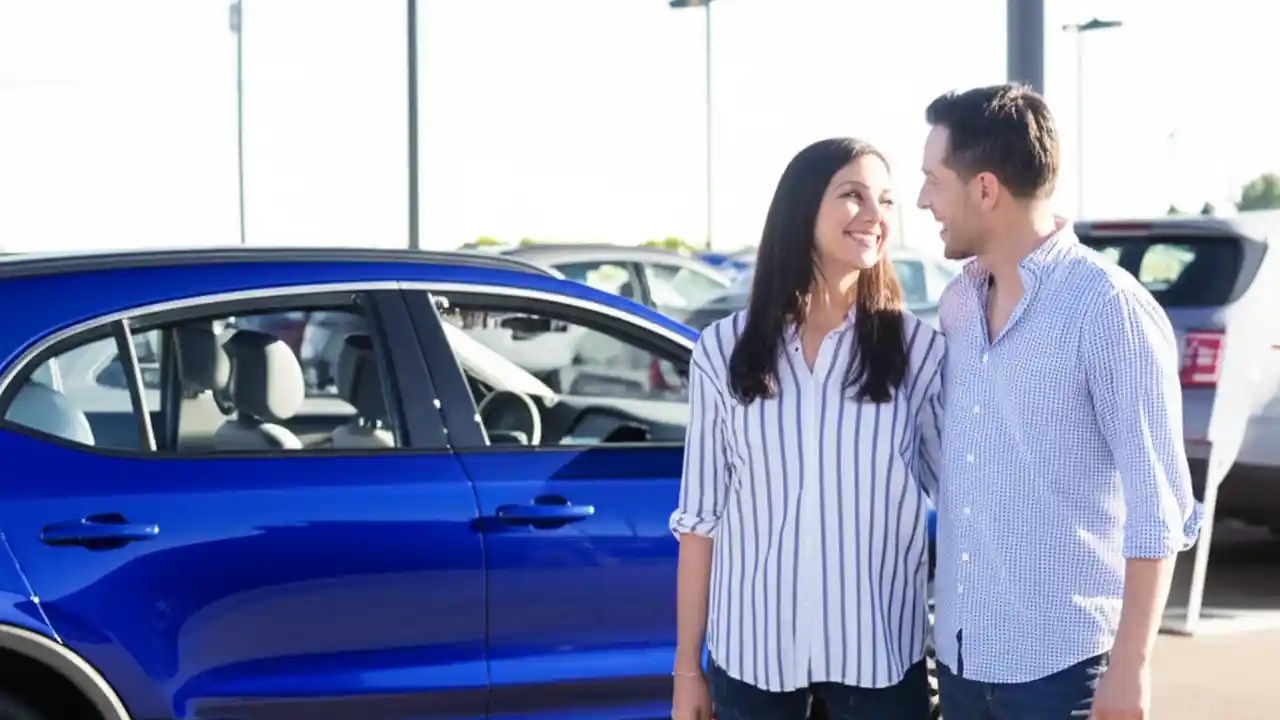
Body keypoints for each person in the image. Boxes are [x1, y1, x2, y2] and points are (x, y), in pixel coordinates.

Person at [915, 83, 1202, 720]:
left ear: (985, 189)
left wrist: (1130, 668)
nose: (923, 200)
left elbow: (1160, 509)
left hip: (1063, 675)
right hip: (962, 660)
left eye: (934, 180)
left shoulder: (1110, 310)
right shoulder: (958, 305)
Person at [668, 137, 945, 720]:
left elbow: (968, 506)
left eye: (886, 202)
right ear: (802, 209)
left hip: (881, 663)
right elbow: (700, 522)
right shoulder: (721, 350)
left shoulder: (920, 352)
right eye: (853, 196)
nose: (876, 216)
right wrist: (687, 672)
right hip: (753, 662)